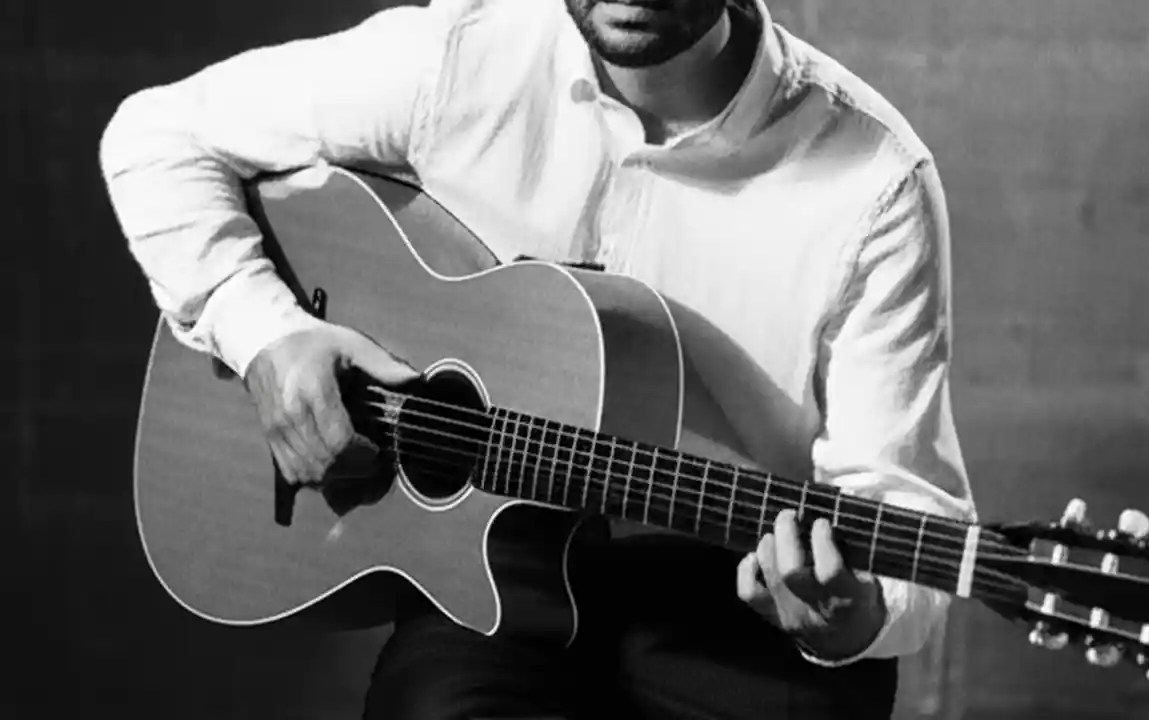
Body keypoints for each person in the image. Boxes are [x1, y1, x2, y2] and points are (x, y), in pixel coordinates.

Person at [99, 1, 977, 717]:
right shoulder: (455, 63)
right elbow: (155, 137)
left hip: (738, 617)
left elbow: (904, 509)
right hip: (493, 590)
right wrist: (264, 337)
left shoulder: (874, 184)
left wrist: (851, 614)